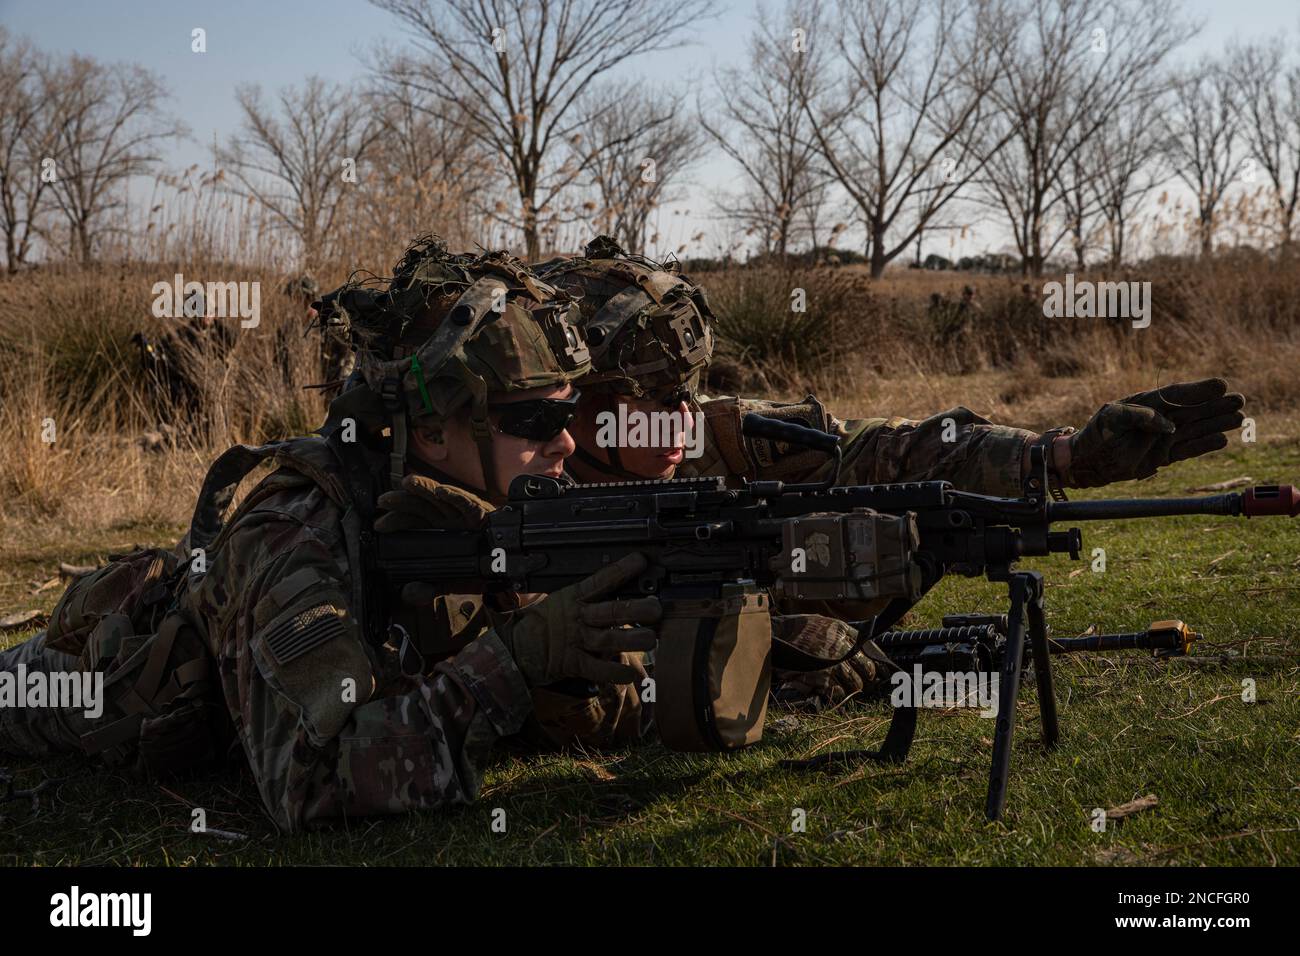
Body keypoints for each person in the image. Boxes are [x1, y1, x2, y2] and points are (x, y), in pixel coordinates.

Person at [0, 239, 660, 832]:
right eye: (537, 419)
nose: (565, 442)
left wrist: (573, 659)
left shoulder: (495, 508)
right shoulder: (298, 534)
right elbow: (309, 782)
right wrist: (511, 662)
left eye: (571, 411)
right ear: (432, 431)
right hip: (102, 682)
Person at [539, 236, 1247, 707]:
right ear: (578, 401)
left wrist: (1059, 457)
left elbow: (889, 454)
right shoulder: (506, 507)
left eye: (688, 391)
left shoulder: (712, 436)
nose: (682, 414)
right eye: (654, 396)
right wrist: (778, 653)